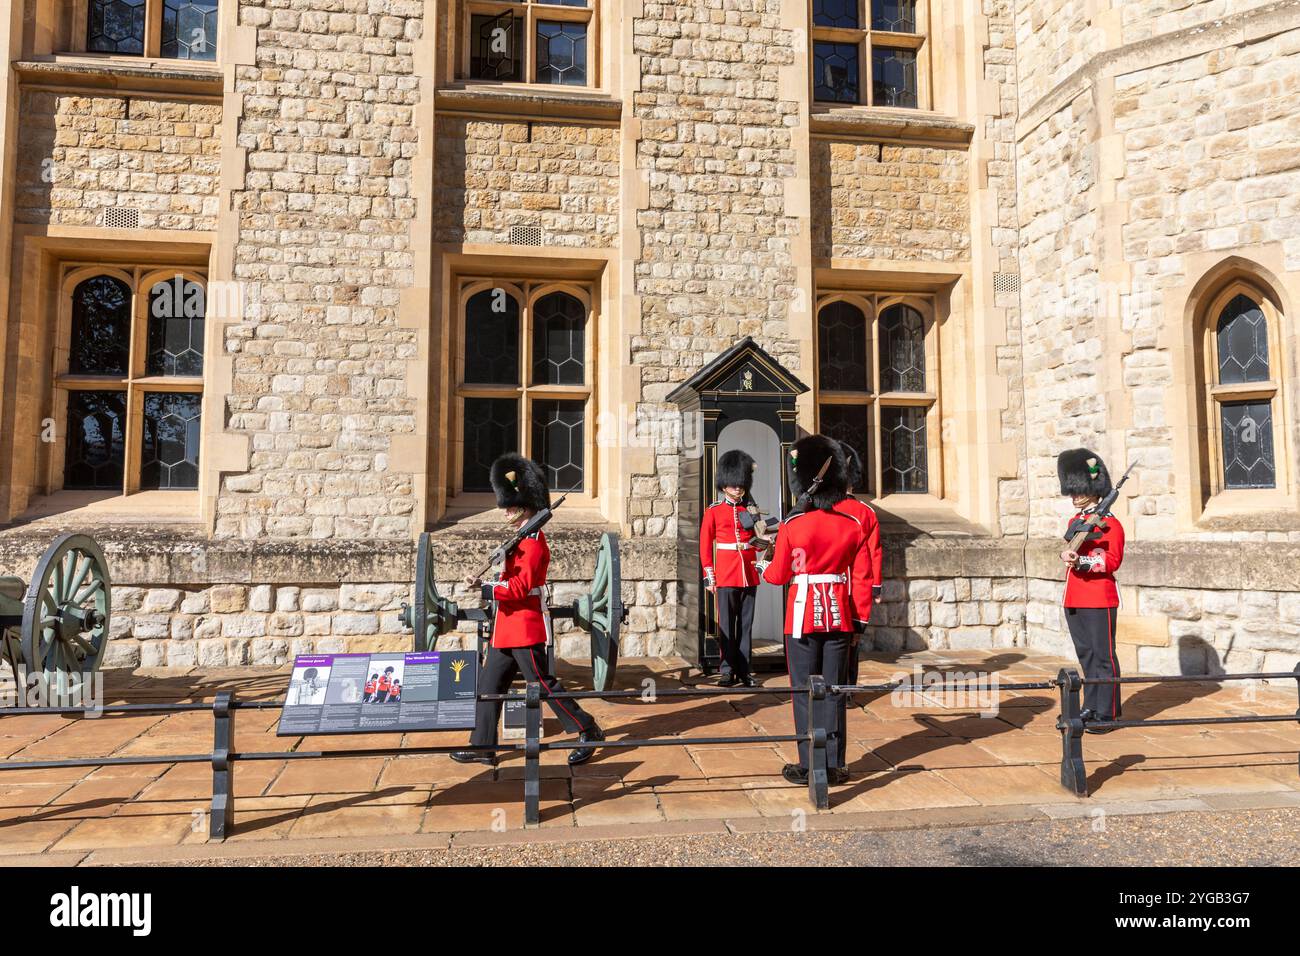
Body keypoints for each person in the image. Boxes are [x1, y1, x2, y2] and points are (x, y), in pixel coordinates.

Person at [451, 453, 604, 766]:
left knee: (544, 684)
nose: (505, 509)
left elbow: (520, 589)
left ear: (525, 504)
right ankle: (483, 746)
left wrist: (485, 588)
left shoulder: (534, 544)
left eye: (510, 503)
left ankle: (587, 729)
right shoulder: (519, 540)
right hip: (506, 627)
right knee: (489, 686)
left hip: (524, 625)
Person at [762, 435, 865, 786]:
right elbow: (856, 569)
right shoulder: (851, 526)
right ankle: (835, 764)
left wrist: (764, 564)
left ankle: (809, 765)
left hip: (802, 618)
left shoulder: (794, 526)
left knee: (804, 692)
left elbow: (778, 576)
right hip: (838, 615)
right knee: (834, 691)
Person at [1058, 448, 1126, 730]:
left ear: (1094, 488)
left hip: (1099, 598)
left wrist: (1082, 560)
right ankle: (1090, 705)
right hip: (1075, 596)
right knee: (1086, 654)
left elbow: (1111, 561)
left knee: (1103, 655)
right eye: (1072, 491)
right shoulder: (1076, 522)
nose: (1074, 496)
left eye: (1080, 490)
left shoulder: (1111, 524)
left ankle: (1107, 712)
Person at [699, 449, 763, 687]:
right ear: (725, 485)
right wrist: (710, 576)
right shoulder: (714, 511)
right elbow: (706, 546)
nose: (737, 488)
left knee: (745, 626)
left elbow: (758, 539)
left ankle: (745, 670)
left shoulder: (750, 509)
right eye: (734, 484)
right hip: (726, 573)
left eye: (741, 484)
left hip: (749, 573)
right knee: (726, 625)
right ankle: (726, 669)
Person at [833, 441, 883, 677]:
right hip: (858, 583)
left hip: (832, 583)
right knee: (852, 639)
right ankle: (848, 687)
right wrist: (875, 586)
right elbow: (875, 551)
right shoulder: (866, 511)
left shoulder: (824, 509)